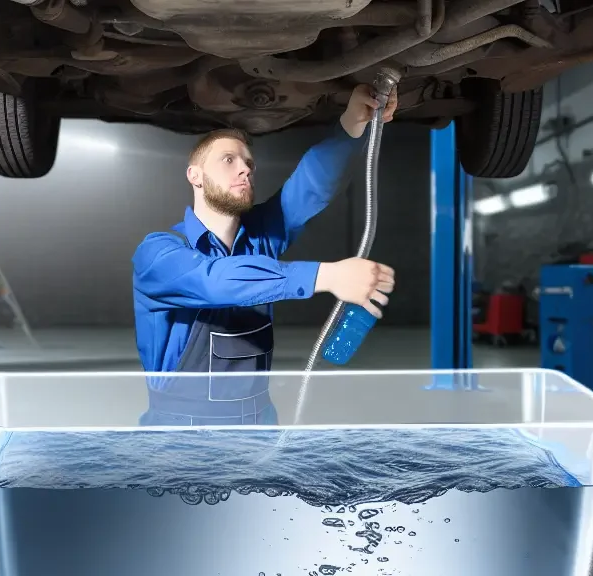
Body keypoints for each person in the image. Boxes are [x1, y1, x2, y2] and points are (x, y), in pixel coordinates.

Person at [131, 84, 399, 426]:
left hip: (258, 429)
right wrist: (326, 276)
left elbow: (309, 187)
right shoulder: (159, 253)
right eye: (228, 160)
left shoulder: (261, 238)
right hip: (178, 441)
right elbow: (213, 281)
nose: (244, 169)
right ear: (194, 176)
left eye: (248, 163)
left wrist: (351, 125)